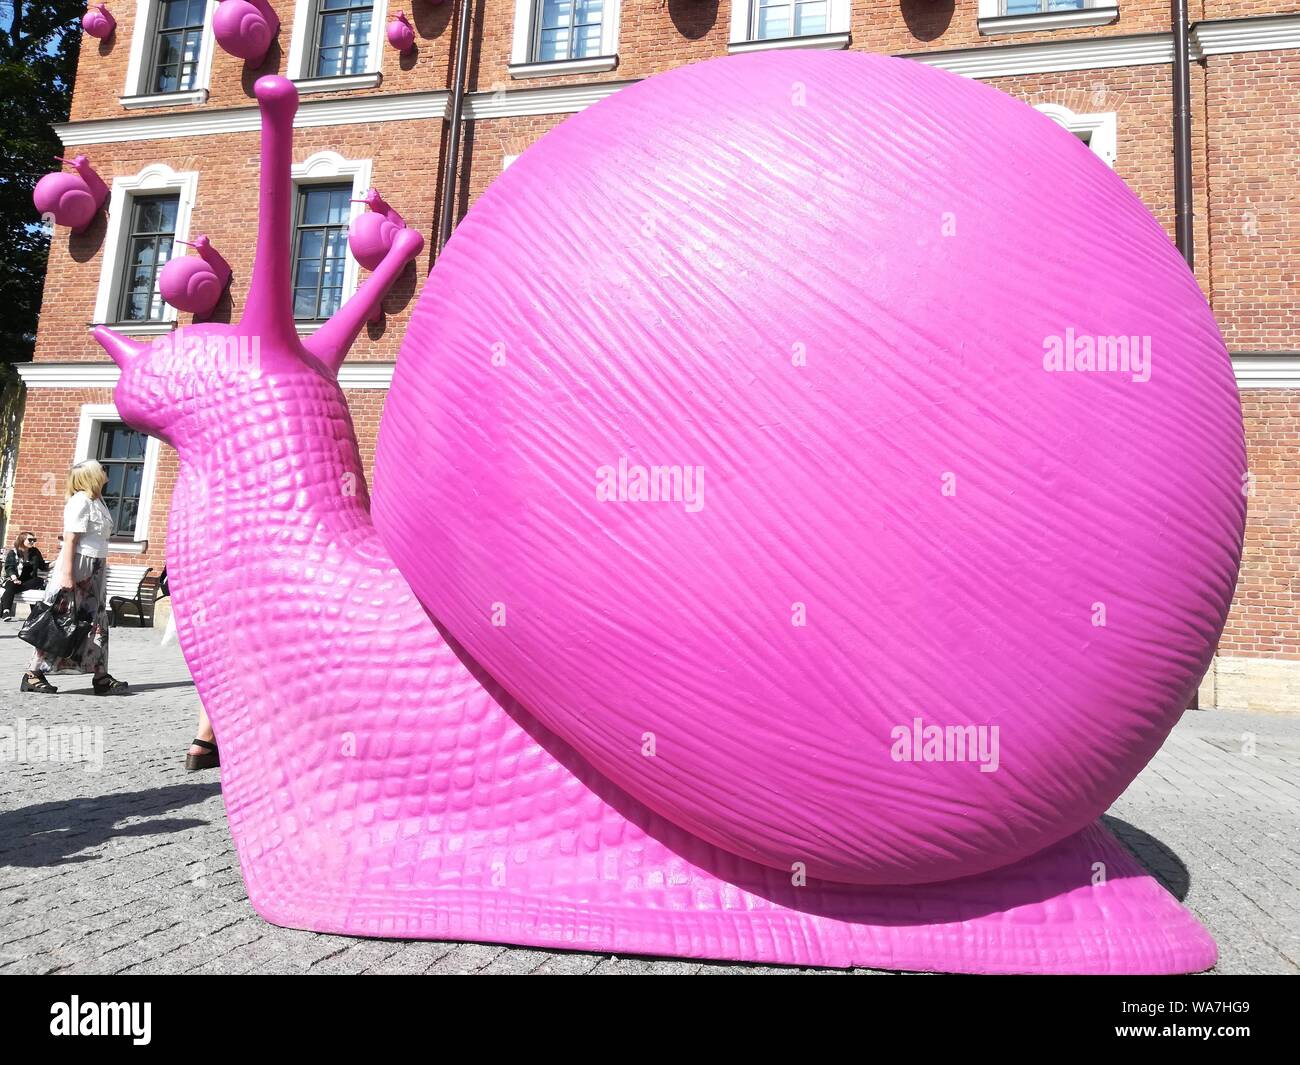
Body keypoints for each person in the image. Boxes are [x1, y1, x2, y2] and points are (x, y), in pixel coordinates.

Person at [20, 460, 128, 695]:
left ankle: (101, 675)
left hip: (96, 566)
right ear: (90, 475)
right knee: (61, 620)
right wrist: (67, 574)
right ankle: (32, 673)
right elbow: (70, 541)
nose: (105, 471)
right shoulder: (80, 501)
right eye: (101, 468)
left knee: (97, 621)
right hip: (79, 564)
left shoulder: (97, 500)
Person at [1, 531, 48, 621]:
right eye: (30, 540)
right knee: (11, 585)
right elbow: (9, 568)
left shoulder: (35, 552)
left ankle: (35, 615)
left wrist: (57, 563)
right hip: (15, 579)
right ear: (22, 540)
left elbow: (42, 566)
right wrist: (14, 579)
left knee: (39, 581)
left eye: (34, 540)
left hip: (29, 581)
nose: (32, 542)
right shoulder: (13, 553)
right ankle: (6, 612)